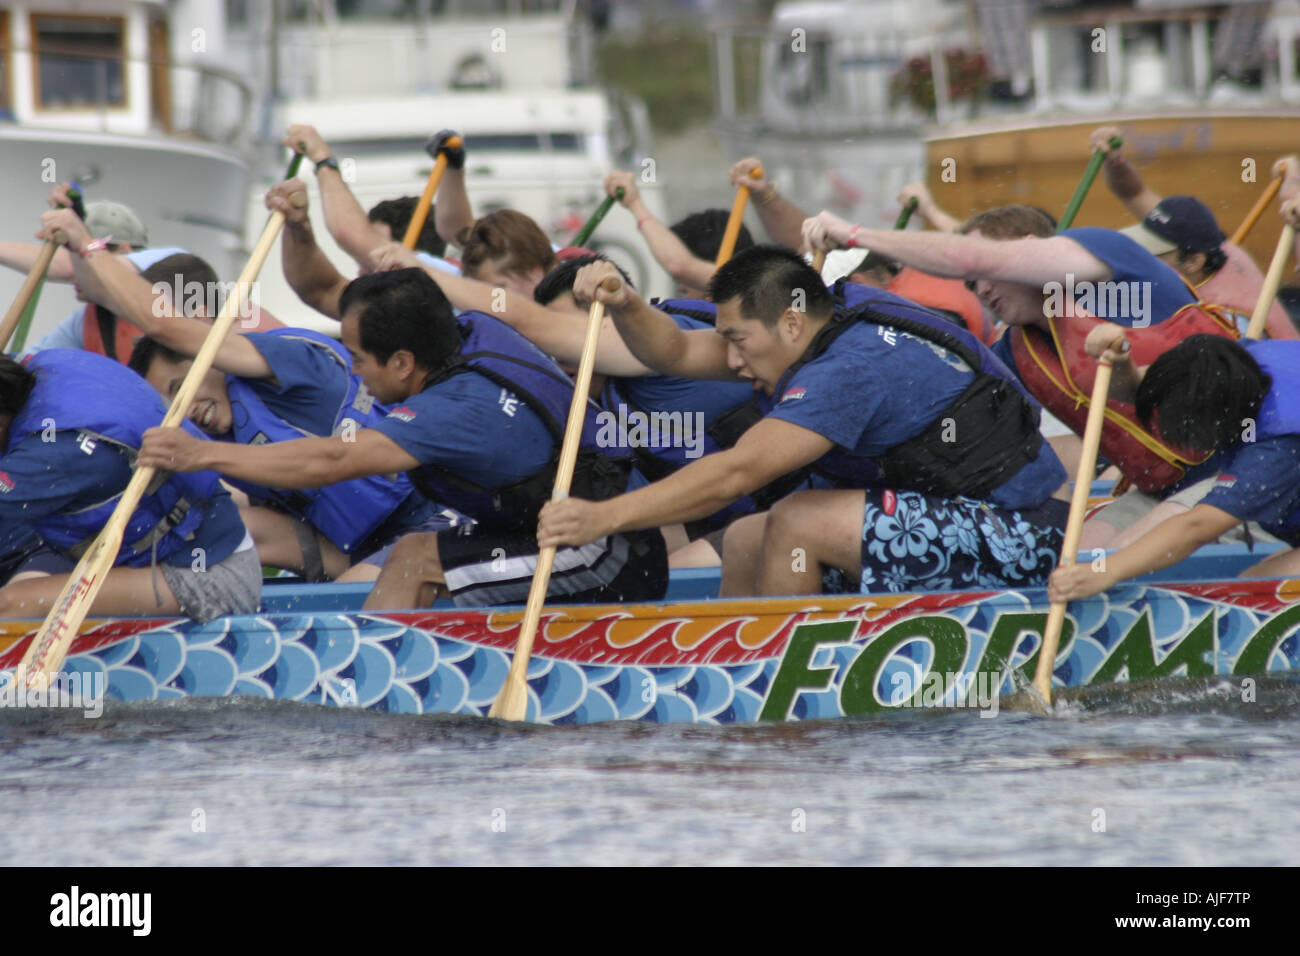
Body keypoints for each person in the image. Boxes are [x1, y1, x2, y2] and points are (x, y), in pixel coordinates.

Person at [535, 246, 1069, 598]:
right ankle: (737, 677)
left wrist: (602, 519)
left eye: (738, 342)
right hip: (955, 521)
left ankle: (786, 696)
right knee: (746, 537)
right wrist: (626, 304)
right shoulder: (813, 326)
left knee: (798, 519)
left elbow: (736, 473)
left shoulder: (847, 370)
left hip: (1021, 537)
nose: (733, 362)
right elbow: (672, 349)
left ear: (790, 322)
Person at [138, 267, 667, 610]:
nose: (355, 373)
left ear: (403, 362)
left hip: (602, 553)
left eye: (361, 361)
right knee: (417, 552)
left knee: (416, 559)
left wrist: (201, 453)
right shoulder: (469, 330)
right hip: (553, 531)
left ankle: (372, 714)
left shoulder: (453, 410)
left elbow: (328, 462)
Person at [41, 204, 454, 582]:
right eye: (174, 407)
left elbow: (160, 324)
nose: (189, 412)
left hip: (432, 514)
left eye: (181, 390)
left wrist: (85, 242)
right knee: (218, 531)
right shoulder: (218, 430)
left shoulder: (279, 361)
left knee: (357, 590)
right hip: (361, 543)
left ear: (203, 352)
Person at [802, 203, 1238, 547]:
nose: (981, 289)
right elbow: (934, 406)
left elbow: (970, 255)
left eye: (988, 272)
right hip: (1162, 488)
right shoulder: (1014, 351)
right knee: (1080, 557)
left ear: (1031, 248)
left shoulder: (1109, 261)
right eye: (971, 284)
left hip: (1250, 463)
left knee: (1115, 562)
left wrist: (854, 235)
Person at [0, 223, 258, 621]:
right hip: (134, 553)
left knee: (13, 605)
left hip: (208, 573)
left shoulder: (50, 452)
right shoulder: (50, 365)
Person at [1049, 330, 1300, 600]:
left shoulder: (1278, 447)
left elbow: (1199, 526)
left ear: (1208, 418)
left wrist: (1104, 572)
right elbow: (1140, 385)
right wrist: (1119, 362)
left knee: (1250, 595)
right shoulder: (1237, 363)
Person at [1088, 125, 1297, 340]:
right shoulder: (1218, 246)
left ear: (1193, 262)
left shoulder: (1223, 321)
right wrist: (1114, 161)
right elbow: (1133, 192)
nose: (1139, 259)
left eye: (1153, 253)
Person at [284, 124, 467, 275]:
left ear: (412, 255)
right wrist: (298, 226)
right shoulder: (372, 299)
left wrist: (322, 159)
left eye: (372, 244)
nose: (361, 266)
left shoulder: (447, 280)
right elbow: (320, 291)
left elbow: (347, 232)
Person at [602, 170, 754, 298]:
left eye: (685, 286)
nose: (680, 286)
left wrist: (634, 203)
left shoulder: (745, 286)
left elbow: (679, 267)